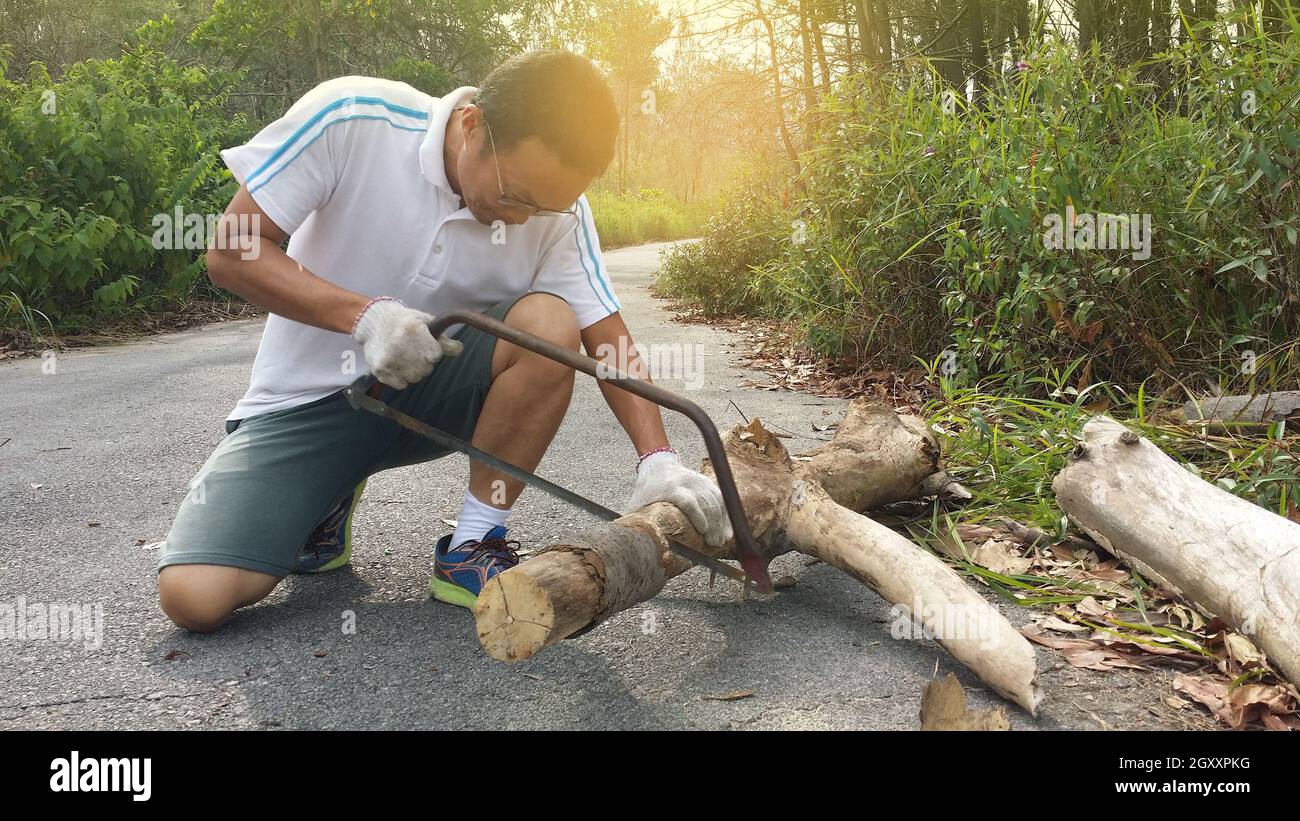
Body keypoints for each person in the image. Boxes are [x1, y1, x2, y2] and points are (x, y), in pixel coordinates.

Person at [155, 50, 732, 632]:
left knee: (551, 323)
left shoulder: (557, 213)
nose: (525, 216)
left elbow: (604, 333)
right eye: (516, 195)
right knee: (194, 598)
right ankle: (326, 499)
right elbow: (233, 250)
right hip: (305, 404)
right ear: (473, 124)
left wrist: (658, 459)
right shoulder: (354, 116)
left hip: (432, 398)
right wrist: (365, 317)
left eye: (545, 207)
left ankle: (473, 544)